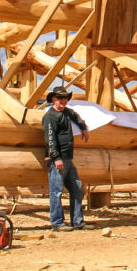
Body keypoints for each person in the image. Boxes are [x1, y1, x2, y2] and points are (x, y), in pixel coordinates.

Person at [42, 86, 89, 231]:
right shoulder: (50, 117)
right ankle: (57, 223)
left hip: (67, 158)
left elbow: (76, 116)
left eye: (65, 98)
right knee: (56, 191)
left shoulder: (67, 112)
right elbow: (50, 138)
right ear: (54, 99)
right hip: (58, 159)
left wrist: (83, 127)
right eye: (60, 98)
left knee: (77, 187)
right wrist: (56, 157)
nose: (63, 100)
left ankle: (77, 221)